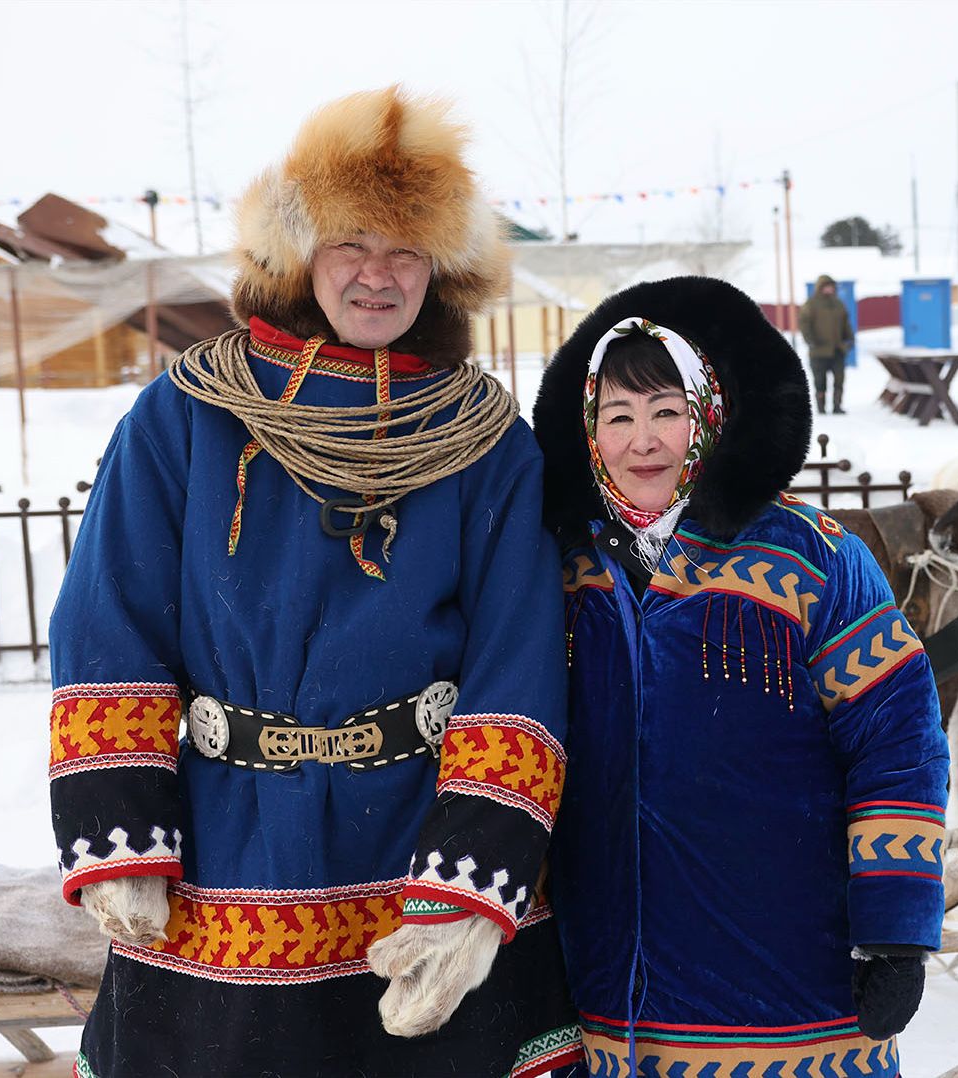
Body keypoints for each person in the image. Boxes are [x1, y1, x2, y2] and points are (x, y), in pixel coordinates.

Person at [47, 87, 583, 1077]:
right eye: (351, 245)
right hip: (228, 847)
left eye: (405, 250)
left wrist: (471, 889)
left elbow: (518, 661)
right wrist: (121, 829)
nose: (377, 275)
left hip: (418, 839)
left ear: (442, 269)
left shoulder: (490, 443)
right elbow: (109, 615)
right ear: (299, 257)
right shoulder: (185, 416)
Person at [533, 277, 949, 1077]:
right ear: (589, 434)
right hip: (613, 998)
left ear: (708, 416)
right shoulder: (561, 566)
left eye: (666, 412)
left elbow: (899, 741)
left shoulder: (814, 557)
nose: (643, 441)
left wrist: (894, 929)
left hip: (795, 992)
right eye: (617, 417)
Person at [799, 274, 854, 414]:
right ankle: (821, 407)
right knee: (820, 382)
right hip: (818, 351)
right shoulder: (811, 304)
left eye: (831, 286)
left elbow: (846, 324)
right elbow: (804, 324)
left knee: (839, 380)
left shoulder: (838, 304)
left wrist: (849, 339)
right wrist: (810, 340)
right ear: (820, 288)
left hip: (837, 350)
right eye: (826, 286)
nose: (829, 289)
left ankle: (837, 406)